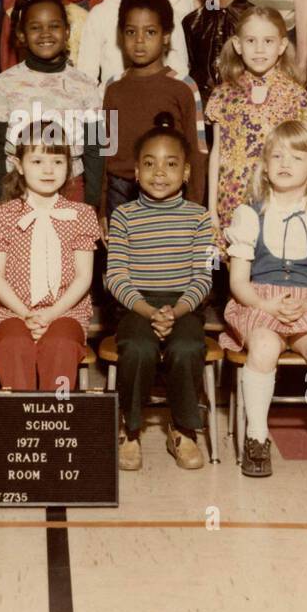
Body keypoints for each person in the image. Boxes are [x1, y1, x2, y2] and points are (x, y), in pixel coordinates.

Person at [221, 120, 307, 478]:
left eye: (297, 157)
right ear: (265, 165)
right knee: (264, 347)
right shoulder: (250, 214)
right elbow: (238, 281)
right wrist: (266, 306)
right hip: (261, 300)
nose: (285, 163)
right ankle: (256, 437)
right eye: (277, 155)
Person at [105, 114, 215, 471]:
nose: (159, 173)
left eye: (171, 164)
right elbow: (116, 277)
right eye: (149, 164)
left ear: (186, 172)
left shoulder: (200, 219)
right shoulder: (123, 216)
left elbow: (204, 277)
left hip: (183, 305)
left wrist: (176, 312)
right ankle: (130, 429)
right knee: (138, 348)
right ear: (136, 172)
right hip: (137, 305)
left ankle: (183, 429)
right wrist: (150, 312)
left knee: (186, 347)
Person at [0, 120, 100, 392]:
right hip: (13, 310)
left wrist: (50, 314)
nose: (48, 170)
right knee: (15, 345)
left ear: (69, 166)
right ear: (19, 165)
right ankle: (20, 423)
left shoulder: (81, 215)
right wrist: (26, 314)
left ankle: (55, 417)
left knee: (60, 346)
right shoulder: (1, 215)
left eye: (58, 162)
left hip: (65, 310)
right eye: (37, 161)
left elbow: (84, 277)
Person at [205, 6, 307, 238]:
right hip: (231, 203)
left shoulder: (297, 97)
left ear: (282, 46)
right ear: (237, 45)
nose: (259, 49)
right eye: (251, 41)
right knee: (235, 272)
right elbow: (216, 152)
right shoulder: (223, 95)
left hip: (279, 203)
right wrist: (211, 211)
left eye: (268, 41)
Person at [0, 0, 104, 206]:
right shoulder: (3, 83)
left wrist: (93, 202)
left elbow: (98, 147)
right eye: (35, 27)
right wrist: (0, 199)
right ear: (21, 35)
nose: (45, 34)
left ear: (67, 31)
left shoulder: (87, 84)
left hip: (71, 188)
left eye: (54, 26)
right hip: (17, 189)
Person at [101, 0, 207, 217]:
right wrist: (100, 209)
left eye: (150, 32)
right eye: (131, 32)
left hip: (167, 189)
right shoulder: (112, 87)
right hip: (119, 192)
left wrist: (194, 207)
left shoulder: (184, 86)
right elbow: (102, 151)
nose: (139, 41)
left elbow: (198, 152)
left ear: (166, 36)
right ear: (121, 35)